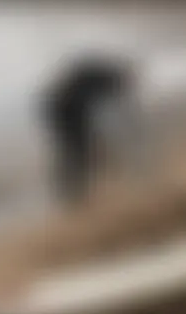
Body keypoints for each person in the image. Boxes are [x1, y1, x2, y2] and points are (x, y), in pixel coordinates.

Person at [41, 56, 140, 207]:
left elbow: (100, 114)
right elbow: (107, 115)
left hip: (60, 105)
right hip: (64, 109)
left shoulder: (102, 73)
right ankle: (72, 195)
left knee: (78, 153)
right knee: (78, 153)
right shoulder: (108, 81)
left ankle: (74, 193)